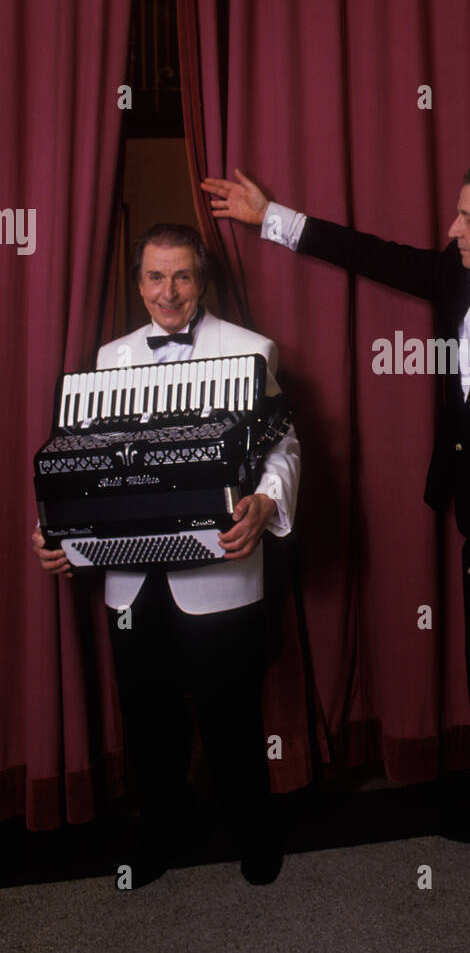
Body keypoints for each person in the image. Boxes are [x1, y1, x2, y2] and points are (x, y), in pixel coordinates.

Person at [202, 164, 470, 898]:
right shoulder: (458, 277)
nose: (452, 230)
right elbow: (374, 254)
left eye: (467, 218)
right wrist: (271, 216)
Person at [32, 224, 300, 887]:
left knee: (231, 715)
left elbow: (283, 448)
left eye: (181, 276)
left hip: (220, 571)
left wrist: (266, 505)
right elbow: (92, 466)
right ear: (138, 283)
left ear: (202, 282)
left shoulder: (251, 349)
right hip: (130, 578)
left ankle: (253, 833)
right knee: (148, 716)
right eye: (154, 277)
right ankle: (162, 832)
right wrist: (58, 533)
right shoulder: (109, 357)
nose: (168, 292)